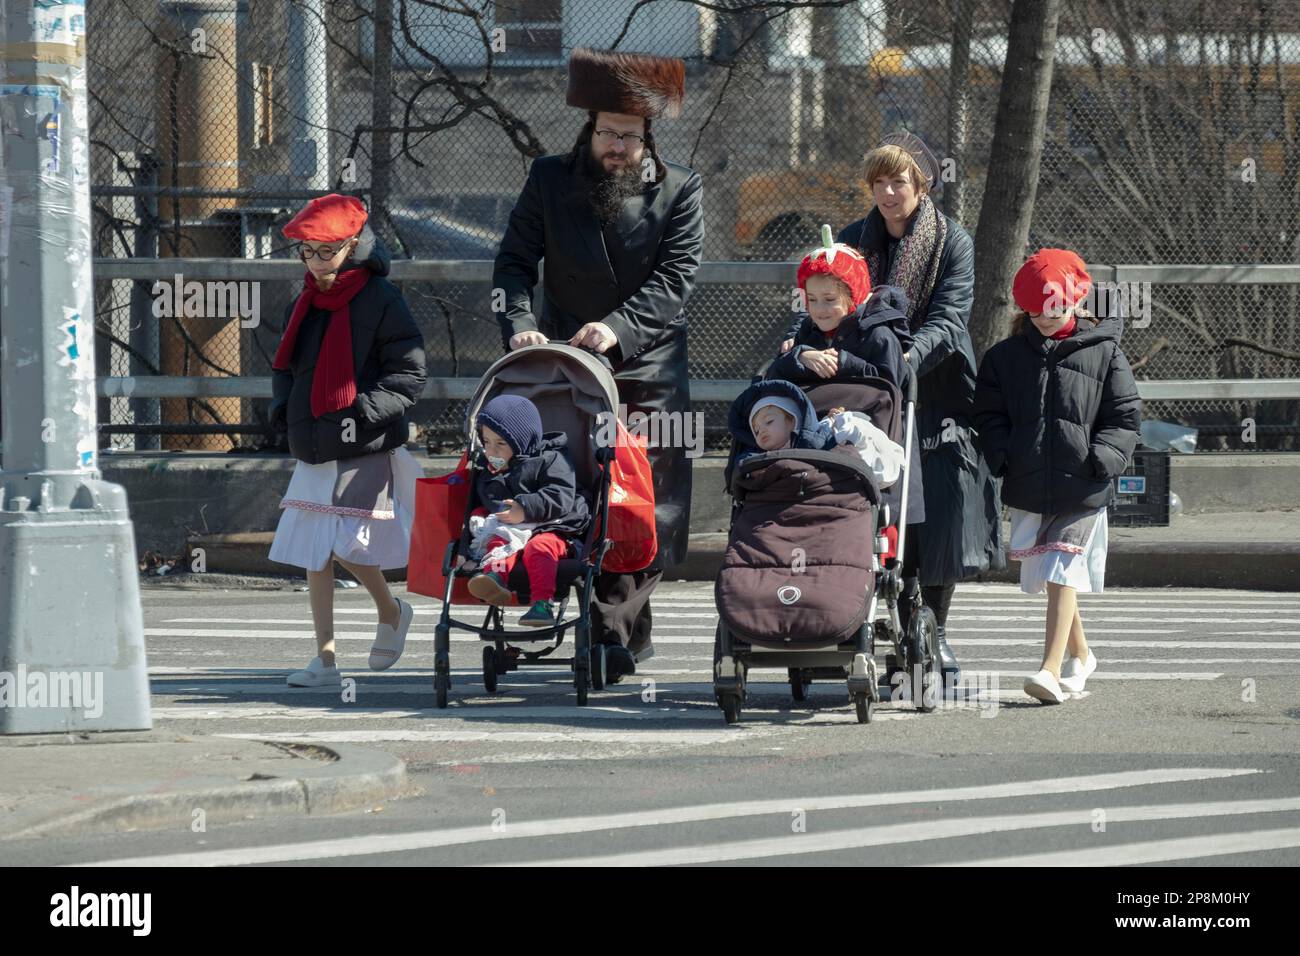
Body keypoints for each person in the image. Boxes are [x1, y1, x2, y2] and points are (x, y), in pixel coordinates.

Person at [492, 47, 703, 681]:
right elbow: (511, 264)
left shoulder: (679, 189)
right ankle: (603, 626)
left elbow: (676, 279)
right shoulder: (550, 179)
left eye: (630, 137)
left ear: (647, 137)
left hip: (647, 363)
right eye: (608, 133)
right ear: (589, 129)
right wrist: (522, 328)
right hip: (567, 365)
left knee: (643, 502)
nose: (617, 146)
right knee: (577, 489)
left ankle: (615, 628)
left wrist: (615, 330)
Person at [783, 133, 1004, 683]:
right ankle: (850, 623)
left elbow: (951, 319)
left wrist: (903, 358)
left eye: (898, 181)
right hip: (865, 393)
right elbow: (824, 301)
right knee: (870, 508)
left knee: (936, 513)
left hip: (936, 390)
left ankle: (934, 627)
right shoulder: (856, 238)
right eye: (878, 181)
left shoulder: (952, 241)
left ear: (920, 184)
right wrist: (800, 343)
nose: (887, 191)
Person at [267, 194, 428, 687]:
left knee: (348, 547)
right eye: (307, 251)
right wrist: (282, 413)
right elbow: (287, 367)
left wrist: (362, 414)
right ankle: (326, 660)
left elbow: (409, 372)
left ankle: (392, 611)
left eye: (326, 251)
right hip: (313, 441)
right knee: (317, 550)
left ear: (354, 245)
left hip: (364, 443)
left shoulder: (382, 299)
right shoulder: (306, 301)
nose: (315, 262)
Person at [973, 248, 1141, 703]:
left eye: (1055, 310)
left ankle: (1048, 669)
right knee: (1053, 573)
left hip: (1084, 483)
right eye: (1035, 312)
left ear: (1076, 302)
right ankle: (1082, 656)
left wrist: (1103, 458)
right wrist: (1002, 454)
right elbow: (988, 414)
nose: (1045, 319)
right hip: (1029, 480)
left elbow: (1124, 416)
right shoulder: (1003, 358)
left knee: (1062, 567)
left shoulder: (1105, 352)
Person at [462, 394, 591, 628]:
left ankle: (542, 603)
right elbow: (490, 499)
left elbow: (559, 495)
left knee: (539, 548)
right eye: (486, 442)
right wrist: (491, 494)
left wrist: (525, 507)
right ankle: (494, 579)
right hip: (511, 528)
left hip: (552, 526)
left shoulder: (552, 458)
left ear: (522, 440)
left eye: (500, 443)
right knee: (498, 545)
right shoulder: (491, 468)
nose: (492, 450)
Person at [769, 224, 912, 390]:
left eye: (829, 299)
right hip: (812, 414)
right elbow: (773, 376)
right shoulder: (808, 330)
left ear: (854, 297)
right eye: (812, 300)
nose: (820, 309)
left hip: (862, 414)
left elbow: (892, 386)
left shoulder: (878, 335)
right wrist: (800, 356)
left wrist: (845, 363)